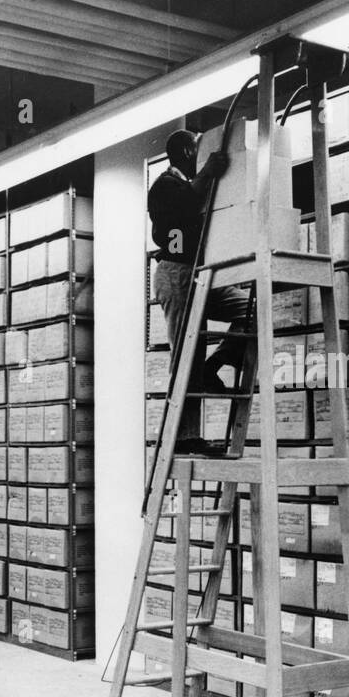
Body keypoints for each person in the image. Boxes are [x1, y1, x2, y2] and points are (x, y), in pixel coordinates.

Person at [149, 128, 251, 453]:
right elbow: (181, 207)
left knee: (251, 310)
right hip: (177, 274)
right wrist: (208, 172)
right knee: (186, 355)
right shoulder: (165, 185)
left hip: (201, 275)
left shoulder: (193, 188)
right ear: (188, 152)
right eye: (197, 148)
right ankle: (186, 437)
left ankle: (215, 364)